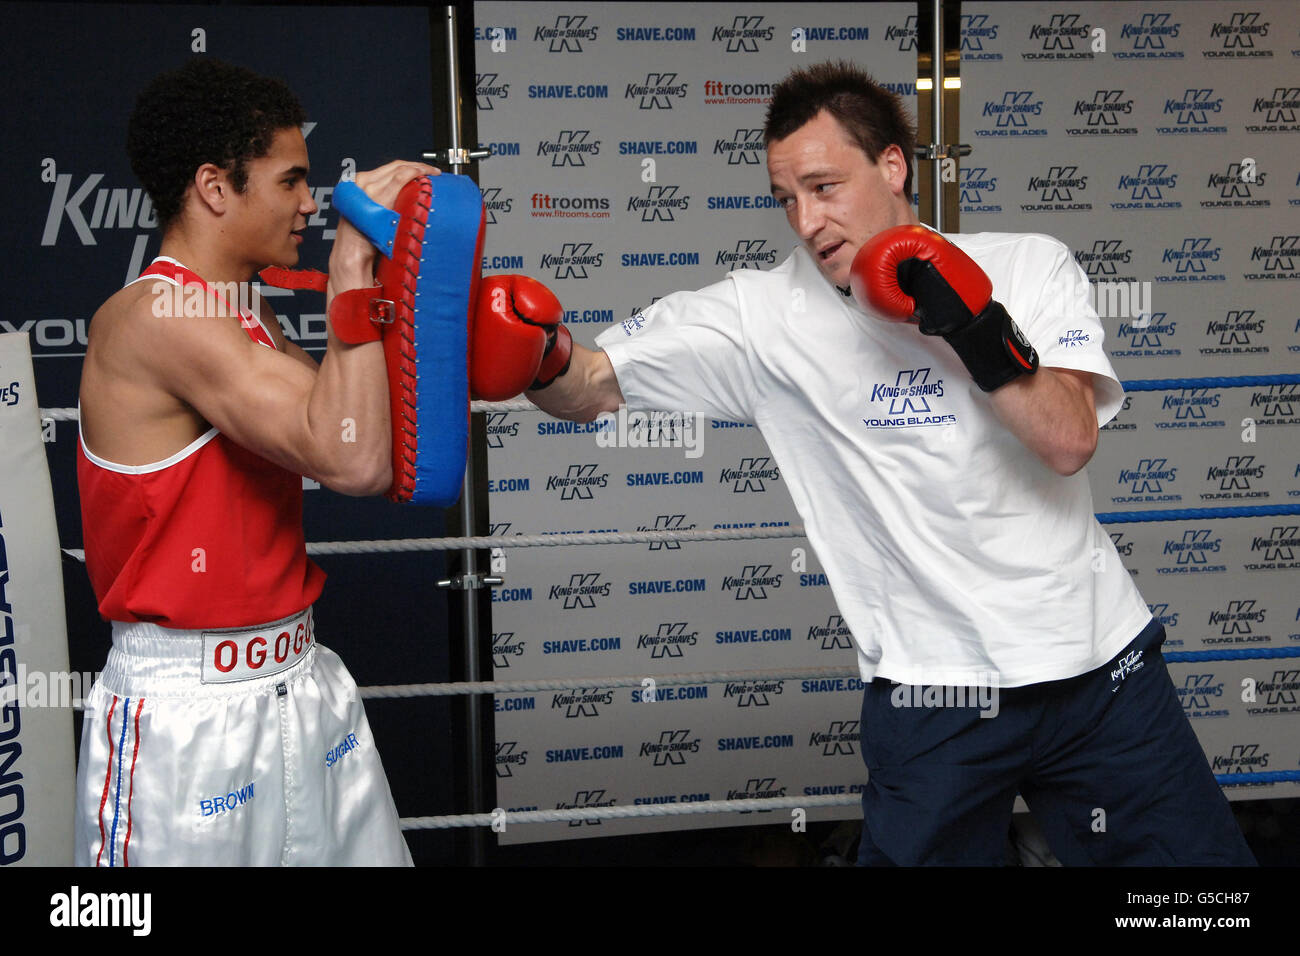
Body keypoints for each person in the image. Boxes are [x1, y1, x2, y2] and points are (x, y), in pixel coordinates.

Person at [520, 61, 1255, 865]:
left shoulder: (1028, 265)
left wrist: (966, 320)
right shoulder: (762, 317)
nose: (806, 220)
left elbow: (1068, 440)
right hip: (932, 692)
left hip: (1097, 671)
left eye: (825, 186)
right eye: (787, 200)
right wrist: (536, 354)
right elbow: (588, 388)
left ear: (893, 167)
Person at [74, 58, 435, 865]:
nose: (310, 203)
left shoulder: (248, 311)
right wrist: (351, 270)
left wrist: (416, 302)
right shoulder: (155, 318)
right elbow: (346, 460)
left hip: (300, 677)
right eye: (291, 181)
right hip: (187, 714)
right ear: (214, 187)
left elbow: (367, 445)